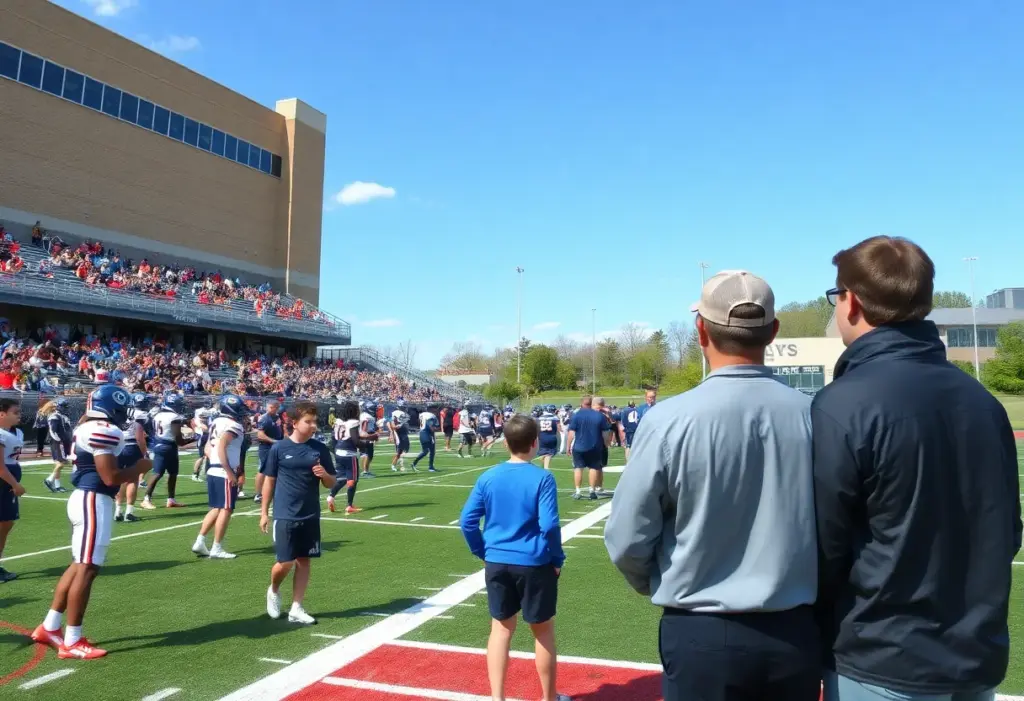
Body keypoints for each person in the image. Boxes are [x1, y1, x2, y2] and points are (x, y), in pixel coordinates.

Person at [814, 236, 1022, 701]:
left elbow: (823, 550)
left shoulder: (843, 405)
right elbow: (1008, 530)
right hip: (974, 659)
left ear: (851, 302)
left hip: (880, 663)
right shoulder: (983, 403)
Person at [605, 270, 820, 701]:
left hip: (700, 629)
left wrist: (658, 581)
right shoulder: (816, 414)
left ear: (700, 328)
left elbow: (628, 537)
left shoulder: (667, 420)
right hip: (796, 631)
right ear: (773, 331)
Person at [31, 384, 151, 659]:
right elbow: (110, 477)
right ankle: (72, 640)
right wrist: (138, 469)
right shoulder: (104, 429)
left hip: (87, 499)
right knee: (87, 569)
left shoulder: (90, 425)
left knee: (78, 566)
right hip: (93, 500)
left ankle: (50, 627)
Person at [459, 415, 569, 701]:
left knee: (500, 629)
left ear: (505, 442)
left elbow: (467, 522)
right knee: (542, 632)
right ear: (535, 443)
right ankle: (548, 697)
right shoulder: (543, 477)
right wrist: (556, 558)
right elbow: (550, 525)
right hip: (534, 562)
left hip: (497, 562)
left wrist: (482, 552)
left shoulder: (488, 476)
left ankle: (497, 697)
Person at [260, 401, 336, 625]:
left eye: (315, 421)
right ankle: (273, 590)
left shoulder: (319, 449)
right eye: (308, 421)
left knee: (304, 561)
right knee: (285, 562)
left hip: (310, 514)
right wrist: (264, 512)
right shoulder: (279, 448)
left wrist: (324, 475)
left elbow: (331, 482)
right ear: (294, 423)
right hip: (285, 514)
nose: (313, 425)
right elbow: (269, 481)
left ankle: (296, 607)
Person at [192, 395, 248, 559]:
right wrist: (230, 471)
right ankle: (217, 547)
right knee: (226, 509)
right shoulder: (233, 425)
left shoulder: (215, 422)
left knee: (216, 508)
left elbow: (208, 448)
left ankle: (200, 541)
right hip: (224, 471)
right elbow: (222, 445)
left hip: (214, 469)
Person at [142, 392, 189, 509]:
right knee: (158, 473)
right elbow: (179, 439)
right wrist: (193, 438)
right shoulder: (174, 417)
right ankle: (146, 499)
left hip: (160, 443)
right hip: (167, 446)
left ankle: (171, 500)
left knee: (173, 473)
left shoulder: (158, 415)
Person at [114, 392, 151, 523]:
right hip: (131, 447)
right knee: (132, 480)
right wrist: (144, 453)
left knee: (120, 480)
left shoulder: (118, 415)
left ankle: (117, 511)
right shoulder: (139, 418)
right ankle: (129, 512)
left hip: (118, 447)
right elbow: (139, 438)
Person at [0, 398, 25, 583]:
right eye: (15, 412)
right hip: (4, 483)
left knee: (6, 524)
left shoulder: (16, 432)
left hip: (7, 484)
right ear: (2, 414)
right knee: (3, 524)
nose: (19, 415)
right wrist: (15, 484)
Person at [566, 397, 610, 501]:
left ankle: (578, 491)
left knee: (578, 468)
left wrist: (568, 446)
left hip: (579, 446)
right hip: (595, 446)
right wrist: (606, 444)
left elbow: (571, 433)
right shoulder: (599, 416)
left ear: (581, 404)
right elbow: (605, 433)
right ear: (592, 404)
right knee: (593, 468)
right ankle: (592, 490)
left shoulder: (576, 415)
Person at [327, 400, 368, 514]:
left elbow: (335, 438)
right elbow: (355, 440)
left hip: (339, 451)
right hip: (349, 453)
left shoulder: (340, 422)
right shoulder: (353, 422)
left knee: (343, 478)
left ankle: (330, 497)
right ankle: (349, 505)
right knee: (353, 480)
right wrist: (366, 444)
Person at [253, 400, 283, 504]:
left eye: (273, 407)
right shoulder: (265, 419)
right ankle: (258, 494)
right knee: (263, 470)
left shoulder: (277, 417)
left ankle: (273, 491)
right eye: (269, 407)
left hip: (276, 447)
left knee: (276, 469)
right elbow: (260, 435)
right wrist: (274, 441)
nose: (271, 409)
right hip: (266, 447)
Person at [44, 397, 72, 493]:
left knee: (61, 463)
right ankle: (49, 480)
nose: (66, 408)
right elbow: (53, 430)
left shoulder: (61, 416)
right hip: (57, 442)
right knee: (60, 463)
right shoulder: (54, 416)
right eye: (64, 407)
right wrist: (59, 440)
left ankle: (57, 486)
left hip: (60, 441)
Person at [411, 406, 439, 472]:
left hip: (422, 433)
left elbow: (420, 422)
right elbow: (430, 426)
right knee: (431, 451)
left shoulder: (421, 415)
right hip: (428, 434)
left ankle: (414, 463)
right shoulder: (431, 416)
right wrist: (435, 429)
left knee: (425, 451)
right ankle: (430, 467)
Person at [358, 401, 379, 478]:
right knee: (369, 454)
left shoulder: (363, 415)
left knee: (365, 454)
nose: (374, 409)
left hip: (365, 436)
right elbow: (364, 427)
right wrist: (368, 435)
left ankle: (365, 471)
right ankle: (365, 472)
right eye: (372, 408)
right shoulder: (367, 416)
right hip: (367, 436)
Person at [389, 401, 411, 472]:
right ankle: (394, 465)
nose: (405, 407)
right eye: (404, 406)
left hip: (403, 433)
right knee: (399, 451)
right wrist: (394, 429)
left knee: (405, 449)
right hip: (399, 433)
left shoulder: (402, 414)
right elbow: (391, 423)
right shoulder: (397, 413)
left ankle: (399, 463)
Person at [537, 404, 560, 470]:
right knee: (549, 453)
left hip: (542, 436)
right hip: (551, 436)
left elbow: (537, 428)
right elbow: (558, 428)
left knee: (543, 453)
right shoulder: (554, 417)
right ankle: (546, 468)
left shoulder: (540, 418)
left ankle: (543, 466)